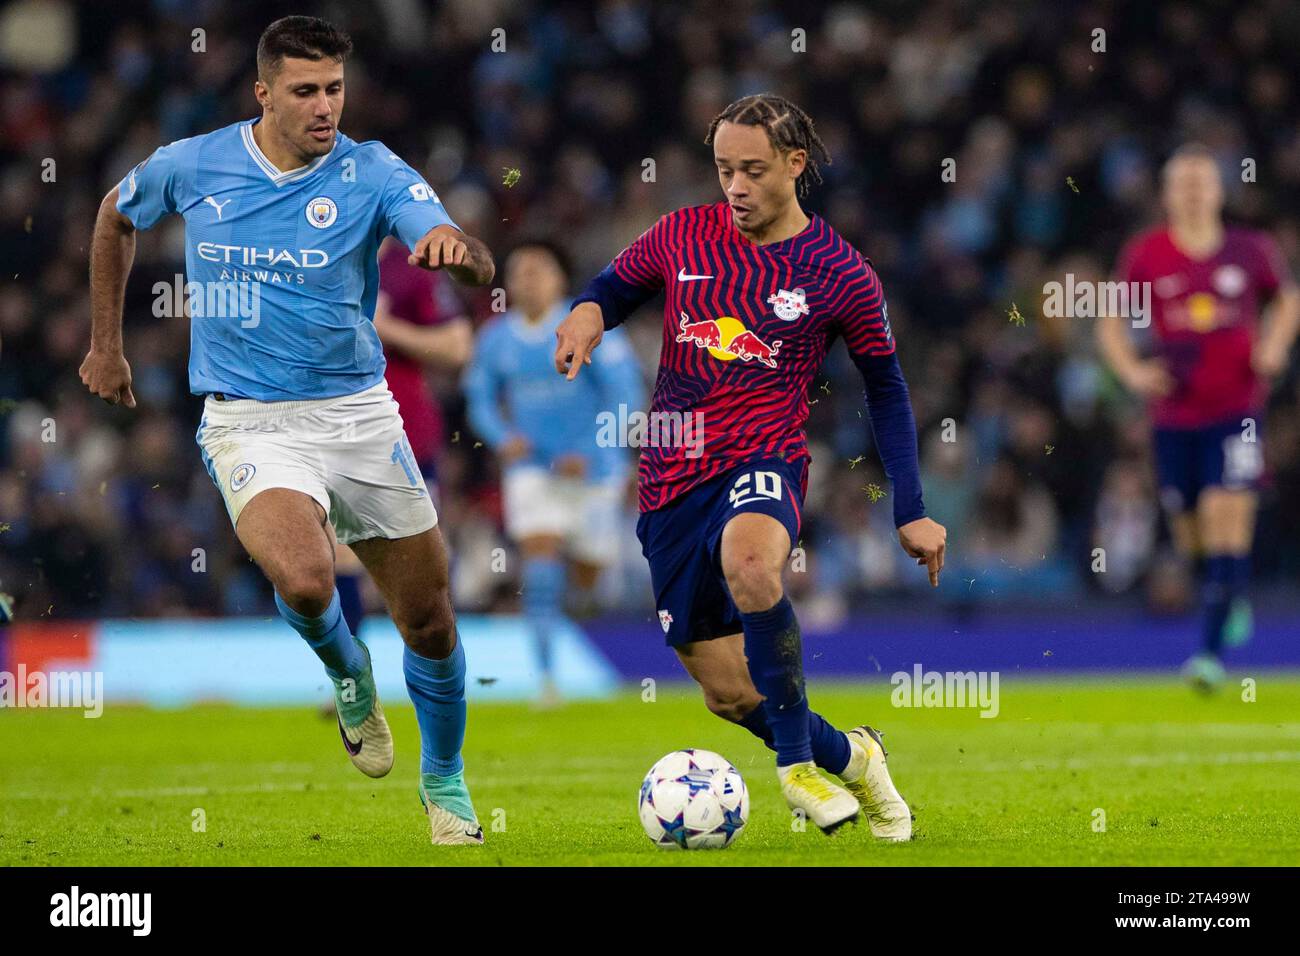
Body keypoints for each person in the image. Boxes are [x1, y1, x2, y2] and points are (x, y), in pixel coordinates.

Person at [78, 16, 495, 845]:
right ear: (263, 93)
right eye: (305, 91)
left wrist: (459, 250)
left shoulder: (373, 170)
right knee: (306, 581)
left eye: (335, 88)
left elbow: (456, 245)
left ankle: (444, 782)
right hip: (250, 420)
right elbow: (113, 217)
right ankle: (349, 675)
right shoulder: (194, 164)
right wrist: (105, 344)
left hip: (358, 415)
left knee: (432, 621)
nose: (324, 106)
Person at [555, 94, 946, 837]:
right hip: (671, 480)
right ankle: (855, 758)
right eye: (725, 169)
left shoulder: (842, 273)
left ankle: (797, 767)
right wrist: (584, 315)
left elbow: (887, 389)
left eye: (753, 170)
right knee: (730, 697)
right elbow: (610, 289)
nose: (734, 186)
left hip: (765, 454)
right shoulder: (682, 234)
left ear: (795, 165)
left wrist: (911, 508)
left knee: (754, 564)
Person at [1097, 144, 1299, 691]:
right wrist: (1133, 374)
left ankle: (1209, 655)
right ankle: (1228, 593)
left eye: (1201, 181)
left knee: (1224, 512)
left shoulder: (1250, 249)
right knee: (1190, 531)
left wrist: (1275, 346)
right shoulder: (1147, 253)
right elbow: (1110, 321)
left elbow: (1287, 300)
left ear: (1218, 190)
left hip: (1237, 411)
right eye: (1181, 181)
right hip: (1174, 415)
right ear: (1165, 193)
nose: (1191, 190)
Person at [466, 240, 643, 706]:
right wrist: (504, 438)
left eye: (538, 269)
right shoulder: (495, 338)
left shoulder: (588, 327)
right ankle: (546, 680)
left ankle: (573, 615)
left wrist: (591, 448)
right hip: (533, 469)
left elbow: (626, 394)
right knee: (540, 569)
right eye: (519, 269)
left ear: (560, 280)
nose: (527, 278)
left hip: (595, 470)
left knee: (589, 574)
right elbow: (480, 398)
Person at [333, 240, 473, 637]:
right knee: (338, 555)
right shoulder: (311, 256)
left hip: (405, 437)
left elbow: (458, 347)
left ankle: (437, 678)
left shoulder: (412, 267)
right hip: (331, 432)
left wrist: (385, 327)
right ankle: (351, 681)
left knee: (419, 572)